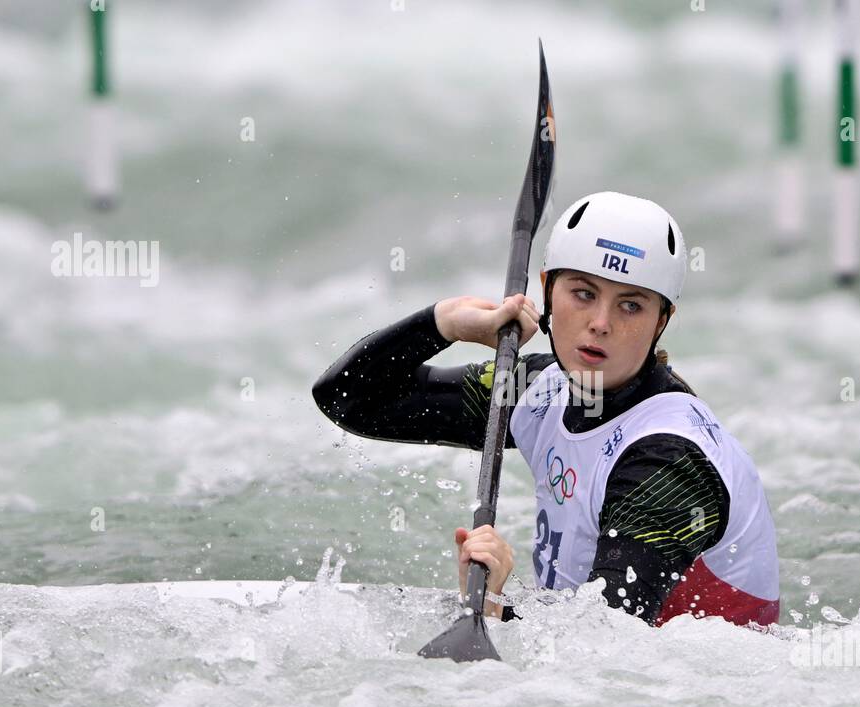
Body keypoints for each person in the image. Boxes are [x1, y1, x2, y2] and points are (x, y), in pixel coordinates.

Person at [313, 191, 779, 627]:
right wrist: (446, 322)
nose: (600, 324)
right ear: (547, 290)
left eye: (630, 306)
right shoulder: (542, 388)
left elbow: (613, 642)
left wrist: (499, 605)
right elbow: (350, 399)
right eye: (583, 293)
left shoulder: (666, 463)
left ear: (663, 319)